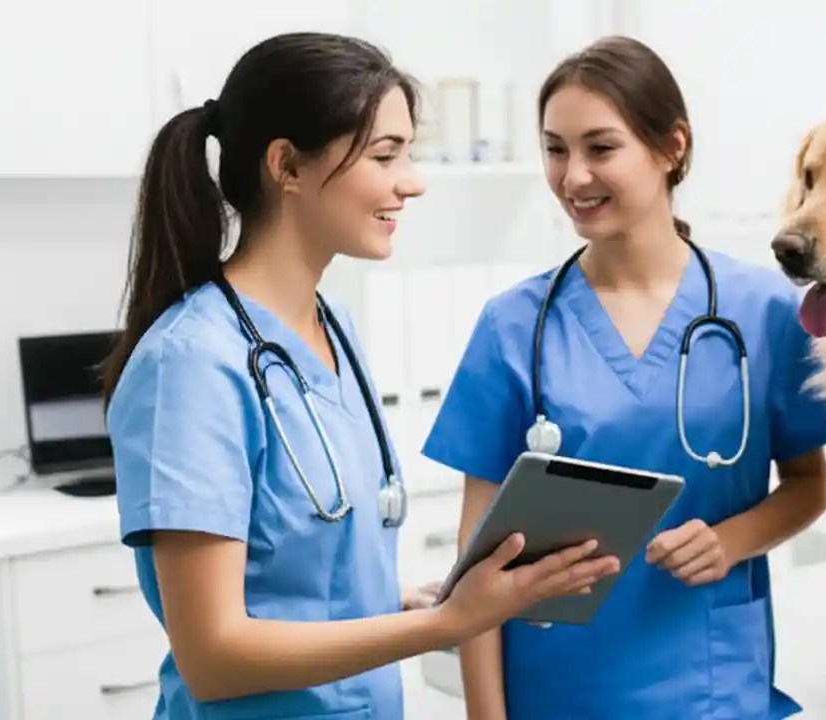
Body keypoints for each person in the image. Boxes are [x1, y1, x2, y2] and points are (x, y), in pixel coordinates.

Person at [99, 32, 620, 720]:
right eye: (386, 155)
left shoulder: (333, 326)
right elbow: (213, 657)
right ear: (286, 165)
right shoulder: (193, 364)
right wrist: (444, 626)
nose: (413, 180)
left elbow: (305, 585)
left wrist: (402, 608)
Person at [420, 35, 826, 720]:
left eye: (600, 147)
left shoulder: (760, 312)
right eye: (556, 148)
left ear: (672, 148)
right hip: (556, 690)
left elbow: (808, 486)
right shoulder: (512, 325)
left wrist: (730, 541)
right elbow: (476, 559)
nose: (573, 175)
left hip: (711, 684)